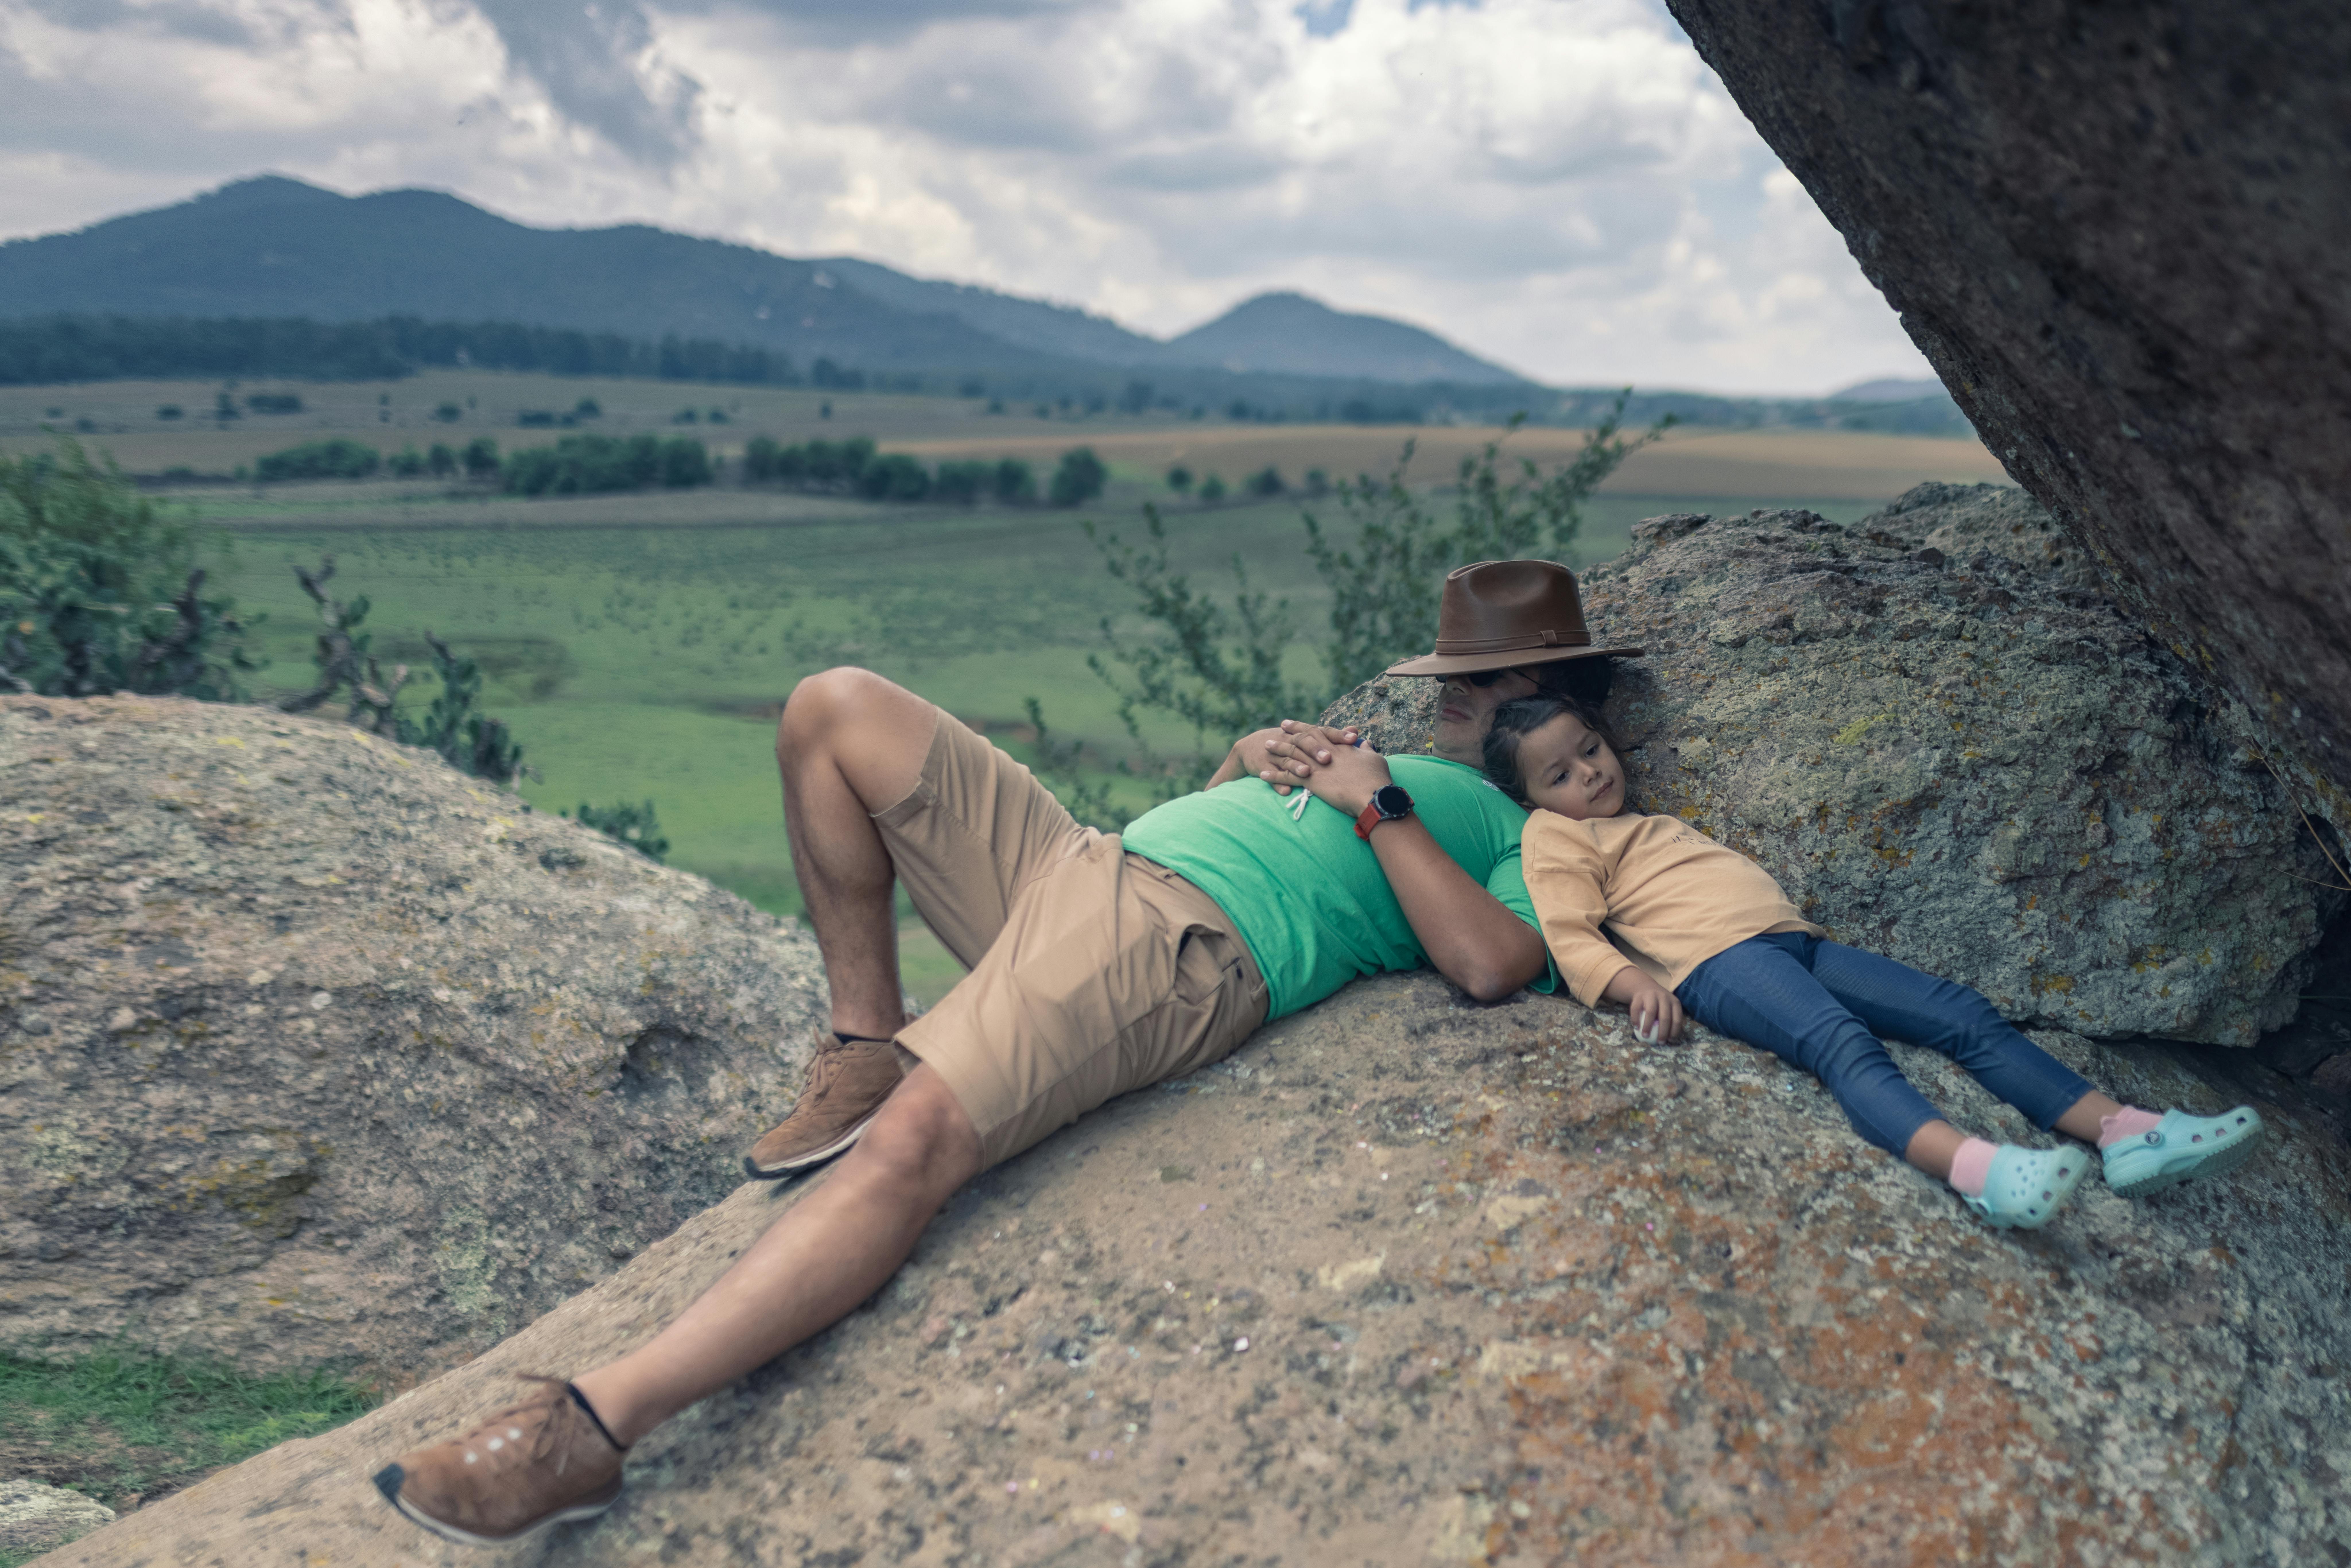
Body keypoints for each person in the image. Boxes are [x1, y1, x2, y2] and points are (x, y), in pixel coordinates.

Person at [370, 558, 1625, 1546]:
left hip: (1176, 945)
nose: (1451, 701)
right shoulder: (1393, 753)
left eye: (1488, 686)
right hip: (1088, 864)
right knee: (832, 708)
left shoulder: (1520, 826)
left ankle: (587, 1429)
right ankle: (862, 1039)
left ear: (1562, 701)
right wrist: (1246, 765)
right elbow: (1231, 817)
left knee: (923, 1134)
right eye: (1453, 680)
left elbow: (1491, 965)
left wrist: (1373, 799)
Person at [1476, 690, 2267, 1229]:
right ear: (1531, 798)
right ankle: (1979, 1173)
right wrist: (1628, 983)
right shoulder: (1557, 836)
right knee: (1841, 1046)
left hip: (1795, 943)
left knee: (1958, 1011)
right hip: (1719, 966)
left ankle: (2125, 1133)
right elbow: (1568, 929)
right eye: (1562, 774)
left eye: (1591, 748)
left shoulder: (1636, 821)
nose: (1590, 771)